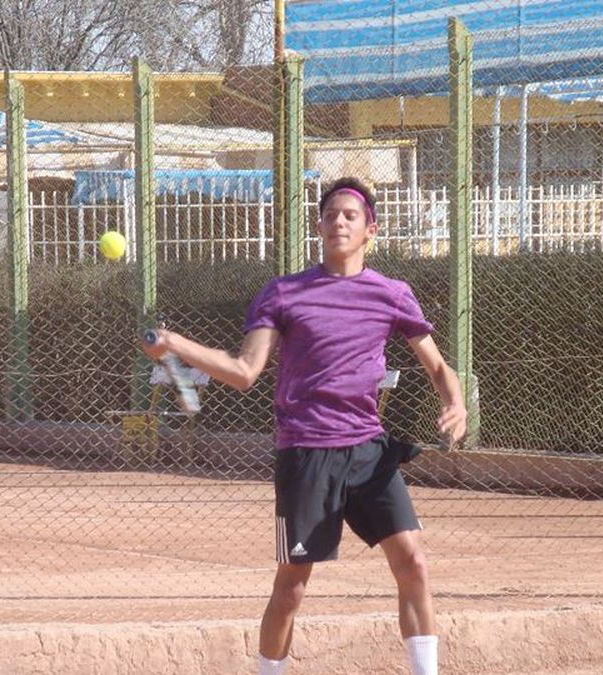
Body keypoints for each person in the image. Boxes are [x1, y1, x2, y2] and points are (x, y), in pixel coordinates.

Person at [140, 177, 467, 675]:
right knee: (292, 585)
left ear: (369, 230)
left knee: (414, 564)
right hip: (306, 452)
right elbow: (245, 372)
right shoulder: (284, 293)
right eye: (330, 214)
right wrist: (175, 344)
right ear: (318, 226)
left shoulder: (392, 295)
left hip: (369, 451)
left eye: (350, 215)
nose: (339, 221)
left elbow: (439, 367)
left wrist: (456, 402)